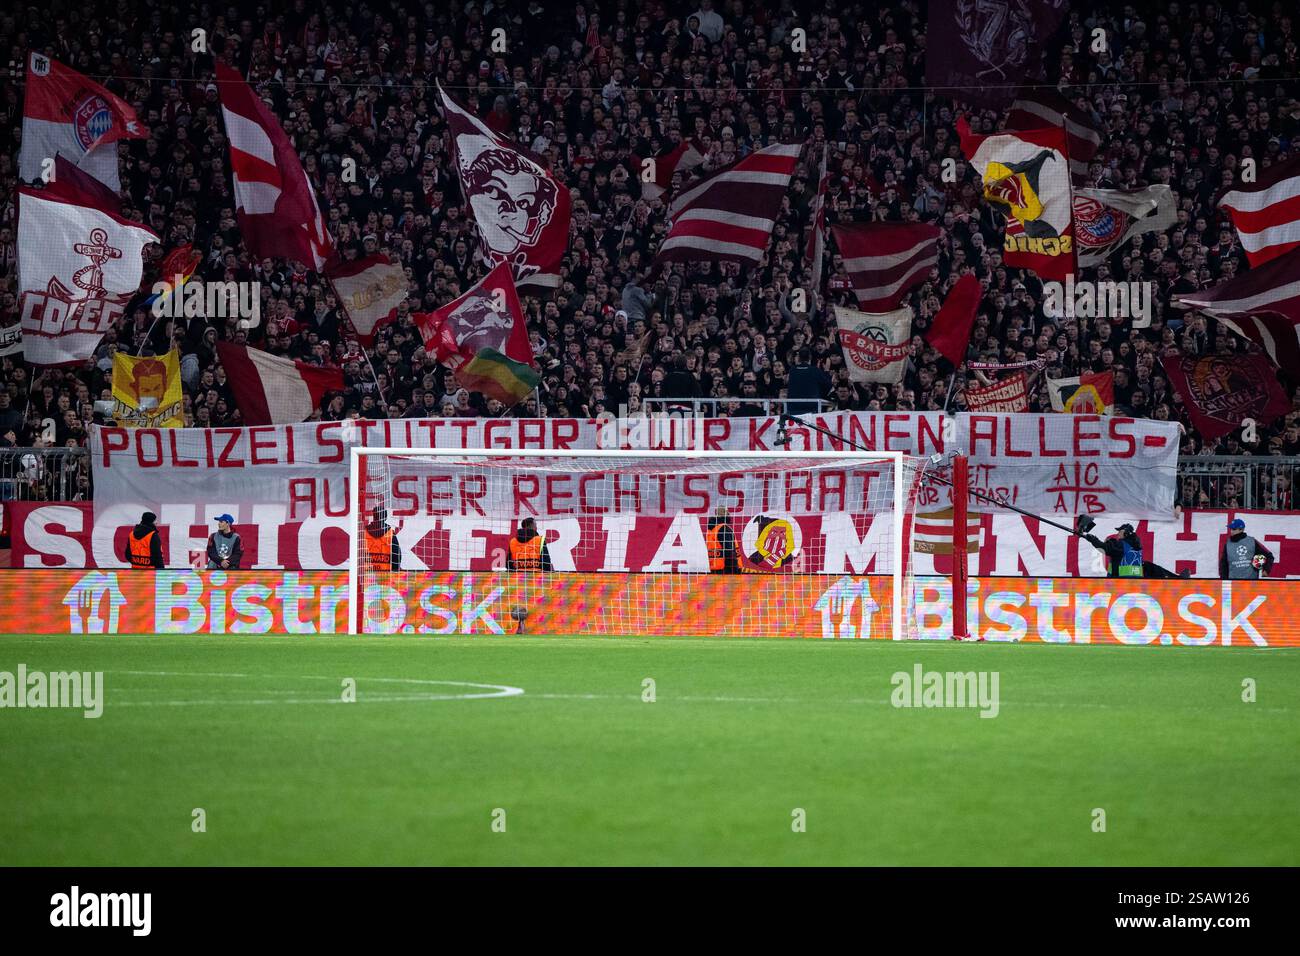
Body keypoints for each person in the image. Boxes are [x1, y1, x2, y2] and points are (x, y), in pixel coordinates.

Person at [705, 507, 738, 573]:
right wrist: (734, 570)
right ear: (726, 513)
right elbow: (729, 552)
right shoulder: (724, 528)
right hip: (727, 570)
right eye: (727, 512)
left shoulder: (711, 529)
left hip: (714, 568)